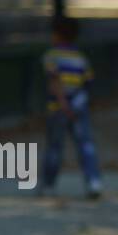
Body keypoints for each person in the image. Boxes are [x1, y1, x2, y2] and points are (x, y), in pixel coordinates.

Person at [40, 16, 103, 199]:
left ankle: (49, 185)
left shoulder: (51, 56)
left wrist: (63, 104)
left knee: (54, 148)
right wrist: (77, 104)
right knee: (85, 145)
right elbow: (87, 84)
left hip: (58, 108)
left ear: (56, 35)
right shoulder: (80, 59)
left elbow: (54, 82)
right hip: (79, 107)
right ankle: (93, 181)